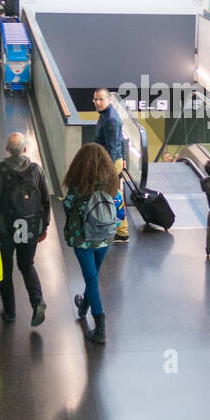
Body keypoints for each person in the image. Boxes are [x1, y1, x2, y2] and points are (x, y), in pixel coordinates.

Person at [0, 133, 50, 327]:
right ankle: (37, 301)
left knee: (5, 269)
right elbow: (46, 200)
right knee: (27, 265)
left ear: (6, 149)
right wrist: (44, 226)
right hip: (30, 228)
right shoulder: (37, 171)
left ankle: (10, 312)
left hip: (5, 229)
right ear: (25, 149)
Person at [62, 143, 120, 345]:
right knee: (93, 275)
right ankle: (83, 304)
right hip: (105, 236)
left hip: (83, 238)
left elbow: (68, 205)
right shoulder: (111, 180)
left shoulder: (79, 182)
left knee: (92, 279)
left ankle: (100, 326)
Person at [91, 88, 128, 243]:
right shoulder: (106, 115)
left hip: (109, 163)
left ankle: (122, 231)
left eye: (101, 99)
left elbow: (112, 145)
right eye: (95, 99)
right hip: (110, 162)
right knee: (112, 196)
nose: (98, 102)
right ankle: (118, 229)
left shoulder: (110, 119)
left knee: (112, 197)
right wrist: (124, 158)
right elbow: (121, 139)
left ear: (109, 99)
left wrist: (110, 169)